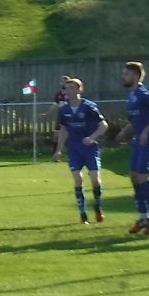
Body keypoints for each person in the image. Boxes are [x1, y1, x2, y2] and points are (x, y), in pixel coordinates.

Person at [116, 60, 149, 234]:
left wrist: (146, 132)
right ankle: (142, 217)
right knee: (134, 176)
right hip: (140, 139)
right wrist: (124, 132)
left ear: (136, 76)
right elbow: (136, 120)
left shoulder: (145, 93)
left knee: (142, 177)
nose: (123, 77)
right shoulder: (131, 96)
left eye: (126, 74)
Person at [51, 77, 107, 223]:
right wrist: (58, 150)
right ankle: (83, 214)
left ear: (79, 90)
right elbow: (63, 129)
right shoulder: (64, 109)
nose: (67, 91)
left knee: (95, 179)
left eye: (71, 88)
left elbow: (103, 125)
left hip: (90, 148)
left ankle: (97, 205)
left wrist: (92, 137)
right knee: (78, 179)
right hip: (74, 149)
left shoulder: (89, 107)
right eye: (66, 88)